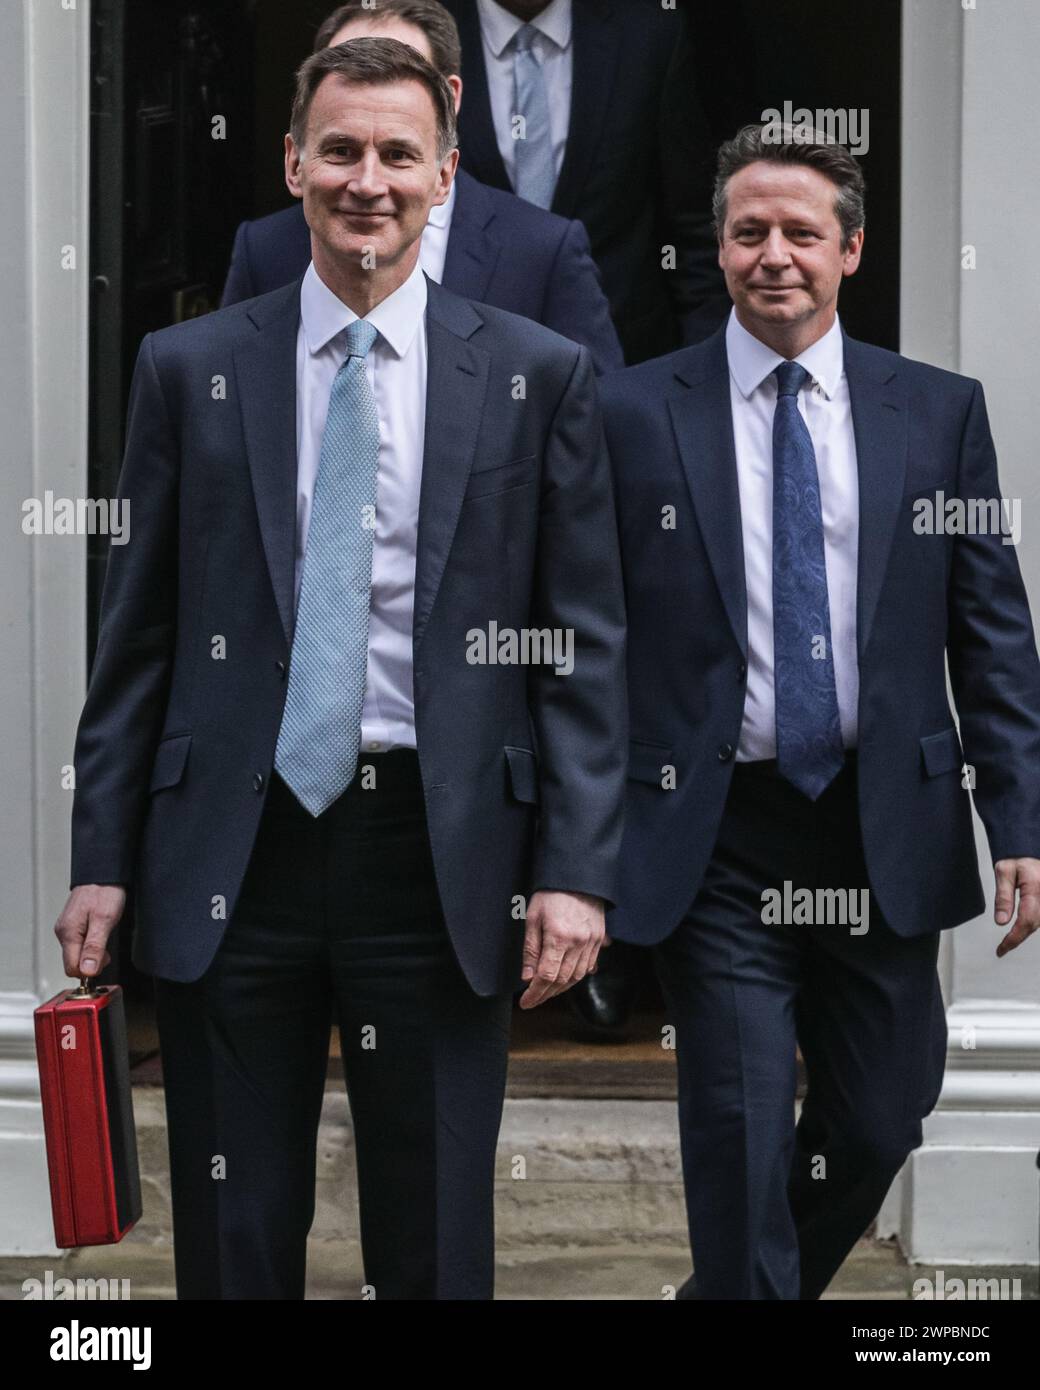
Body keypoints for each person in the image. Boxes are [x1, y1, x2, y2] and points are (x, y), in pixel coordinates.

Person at [57, 38, 626, 1300]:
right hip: (230, 847)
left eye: (396, 154)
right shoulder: (189, 368)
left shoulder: (538, 373)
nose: (366, 179)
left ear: (444, 175)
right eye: (341, 150)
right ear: (292, 163)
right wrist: (101, 850)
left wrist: (576, 872)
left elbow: (579, 647)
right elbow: (136, 633)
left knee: (429, 1241)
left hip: (436, 852)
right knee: (234, 1234)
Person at [602, 123, 1040, 1299]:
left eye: (802, 232)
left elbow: (990, 631)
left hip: (877, 826)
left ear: (850, 250)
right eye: (748, 232)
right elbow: (592, 645)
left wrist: (1021, 821)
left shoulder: (936, 414)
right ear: (719, 251)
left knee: (883, 1112)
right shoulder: (634, 413)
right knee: (738, 1124)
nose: (774, 255)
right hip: (716, 835)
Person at [220, 0, 623, 376]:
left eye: (399, 72)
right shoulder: (264, 249)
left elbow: (590, 414)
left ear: (449, 96)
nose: (367, 183)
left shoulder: (544, 249)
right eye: (347, 71)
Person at [439, 0, 728, 363]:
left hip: (624, 366)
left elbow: (695, 231)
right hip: (463, 361)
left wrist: (698, 374)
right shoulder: (419, 31)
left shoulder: (648, 32)